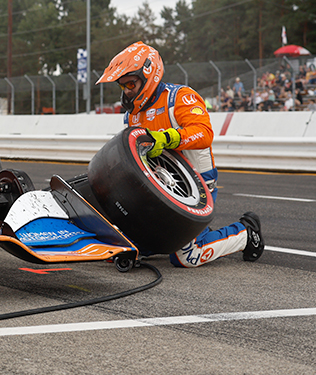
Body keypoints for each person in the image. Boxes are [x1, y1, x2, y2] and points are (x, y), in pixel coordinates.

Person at [96, 41, 263, 268]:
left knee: (187, 256)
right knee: (132, 243)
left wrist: (166, 138)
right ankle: (185, 235)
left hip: (198, 186)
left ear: (148, 74)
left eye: (131, 84)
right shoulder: (132, 115)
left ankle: (246, 232)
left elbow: (204, 134)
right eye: (122, 86)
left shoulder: (180, 98)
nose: (127, 91)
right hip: (160, 188)